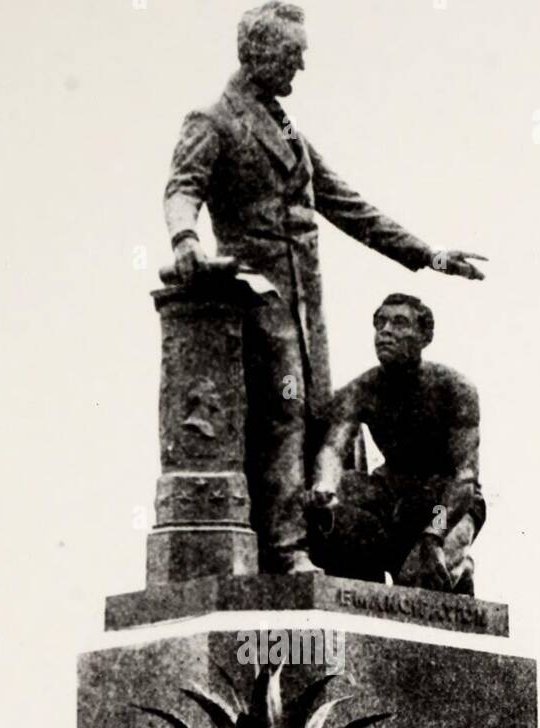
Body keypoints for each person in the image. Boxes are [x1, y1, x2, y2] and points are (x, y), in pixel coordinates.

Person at [164, 2, 486, 574]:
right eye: (294, 53)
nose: (302, 65)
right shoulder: (212, 121)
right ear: (260, 52)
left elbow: (349, 206)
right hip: (258, 298)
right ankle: (287, 549)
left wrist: (427, 254)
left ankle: (316, 541)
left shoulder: (287, 130)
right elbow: (182, 188)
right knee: (286, 412)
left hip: (304, 311)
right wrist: (185, 240)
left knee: (314, 416)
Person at [309, 293, 485, 593]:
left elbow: (464, 478)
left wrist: (434, 535)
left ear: (425, 336)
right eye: (380, 323)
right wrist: (326, 484)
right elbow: (334, 448)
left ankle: (458, 567)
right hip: (392, 494)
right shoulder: (362, 389)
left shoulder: (455, 389)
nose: (385, 332)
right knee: (338, 506)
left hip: (446, 501)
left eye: (399, 323)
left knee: (420, 580)